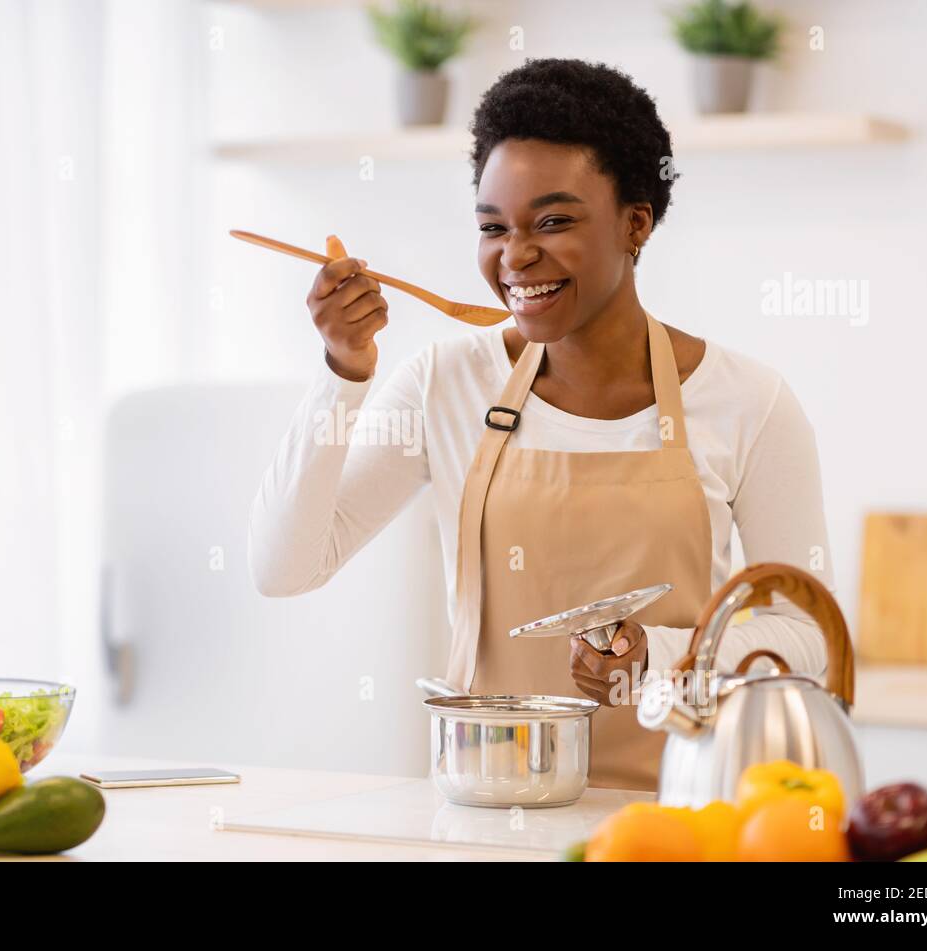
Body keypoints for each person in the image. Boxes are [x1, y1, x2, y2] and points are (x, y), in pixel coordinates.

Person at [248, 59, 832, 791]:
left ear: (636, 222)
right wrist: (343, 370)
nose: (516, 255)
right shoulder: (442, 383)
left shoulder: (749, 400)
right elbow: (284, 568)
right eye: (494, 227)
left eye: (553, 221)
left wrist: (658, 653)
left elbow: (810, 638)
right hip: (486, 807)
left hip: (679, 812)